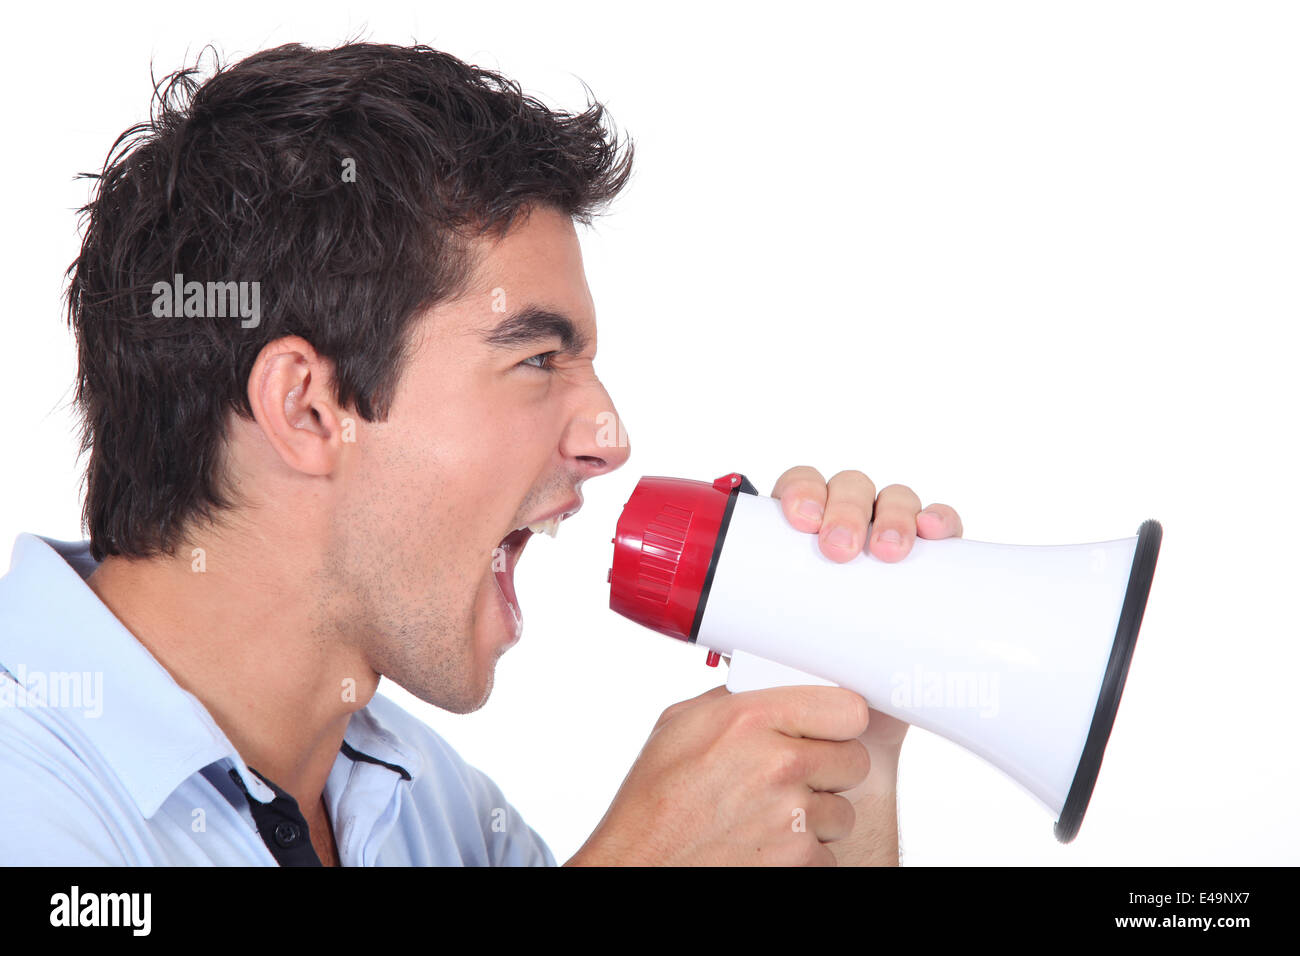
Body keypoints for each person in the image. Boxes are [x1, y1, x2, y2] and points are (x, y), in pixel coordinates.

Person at [0, 41, 963, 866]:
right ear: (309, 406)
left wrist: (847, 795)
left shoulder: (430, 807)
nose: (608, 439)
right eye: (539, 359)